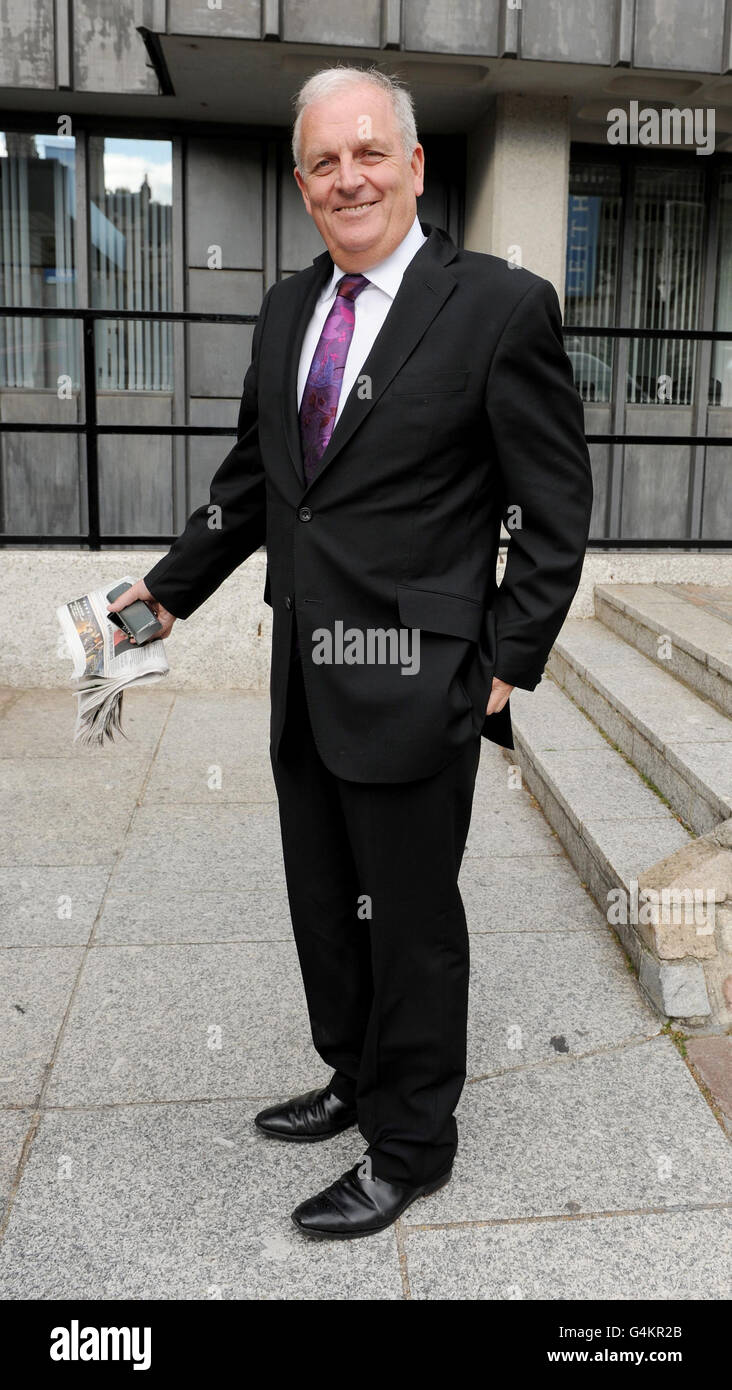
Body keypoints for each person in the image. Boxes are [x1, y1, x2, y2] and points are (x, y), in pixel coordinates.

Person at [108, 63, 593, 1239]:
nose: (349, 177)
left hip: (422, 678)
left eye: (370, 152)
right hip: (306, 673)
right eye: (325, 162)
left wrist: (507, 662)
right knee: (327, 903)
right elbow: (253, 490)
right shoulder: (286, 311)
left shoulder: (496, 307)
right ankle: (354, 1073)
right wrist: (161, 597)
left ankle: (413, 1141)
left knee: (411, 920)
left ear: (416, 166)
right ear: (302, 185)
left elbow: (557, 500)